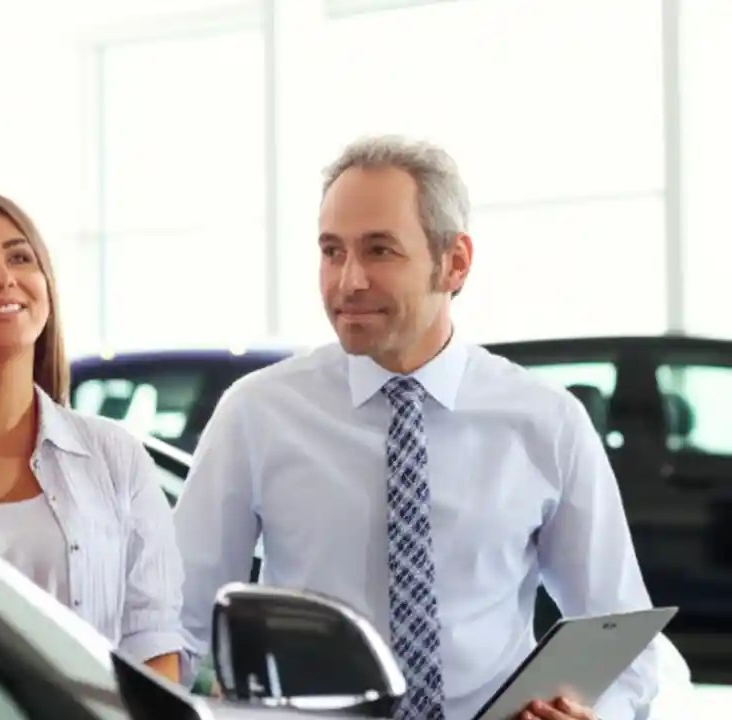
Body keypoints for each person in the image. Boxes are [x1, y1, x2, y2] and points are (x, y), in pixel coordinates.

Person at [173, 136, 686, 719]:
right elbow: (175, 623)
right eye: (332, 251)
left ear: (455, 261)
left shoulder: (547, 423)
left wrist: (590, 713)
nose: (348, 282)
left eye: (380, 251)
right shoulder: (257, 414)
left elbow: (622, 639)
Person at [0, 192, 185, 682]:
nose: (2, 278)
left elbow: (153, 643)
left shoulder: (116, 457)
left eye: (20, 257)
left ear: (46, 288)